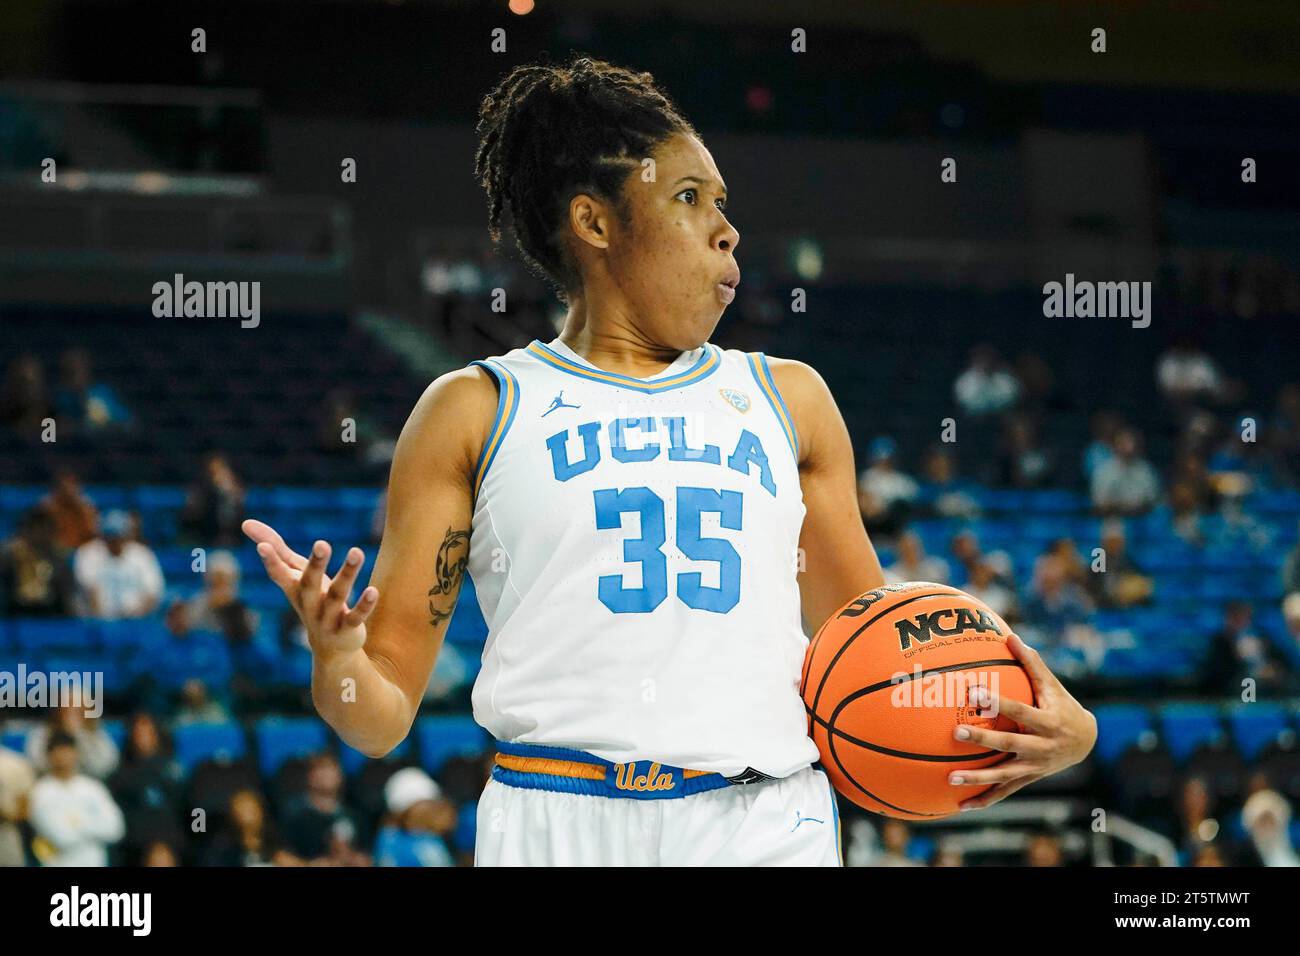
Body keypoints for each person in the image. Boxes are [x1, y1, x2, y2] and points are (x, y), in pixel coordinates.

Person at [242, 56, 1096, 867]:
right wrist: (340, 662)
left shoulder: (790, 400)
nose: (727, 231)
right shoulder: (475, 409)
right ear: (594, 222)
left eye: (723, 202)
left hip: (766, 819)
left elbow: (873, 641)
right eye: (691, 198)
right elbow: (378, 718)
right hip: (555, 817)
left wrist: (1051, 715)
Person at [28, 731, 125, 866]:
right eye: (58, 752)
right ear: (48, 756)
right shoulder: (39, 792)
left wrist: (76, 823)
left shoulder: (93, 787)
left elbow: (116, 829)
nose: (63, 757)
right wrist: (93, 822)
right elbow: (62, 837)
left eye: (68, 751)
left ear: (76, 753)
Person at [73, 509, 165, 619]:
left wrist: (135, 617)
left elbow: (152, 594)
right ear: (103, 536)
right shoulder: (88, 553)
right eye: (110, 537)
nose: (115, 542)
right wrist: (102, 623)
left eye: (119, 537)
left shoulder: (142, 554)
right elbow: (90, 592)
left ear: (126, 536)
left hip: (135, 622)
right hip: (96, 621)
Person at [0, 505, 76, 617]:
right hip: (15, 614)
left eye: (45, 530)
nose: (40, 534)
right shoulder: (9, 554)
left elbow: (67, 594)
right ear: (26, 530)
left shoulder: (58, 557)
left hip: (51, 615)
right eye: (34, 529)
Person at [373, 767, 456, 867]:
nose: (432, 809)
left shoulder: (432, 837)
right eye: (426, 803)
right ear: (406, 809)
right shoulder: (390, 840)